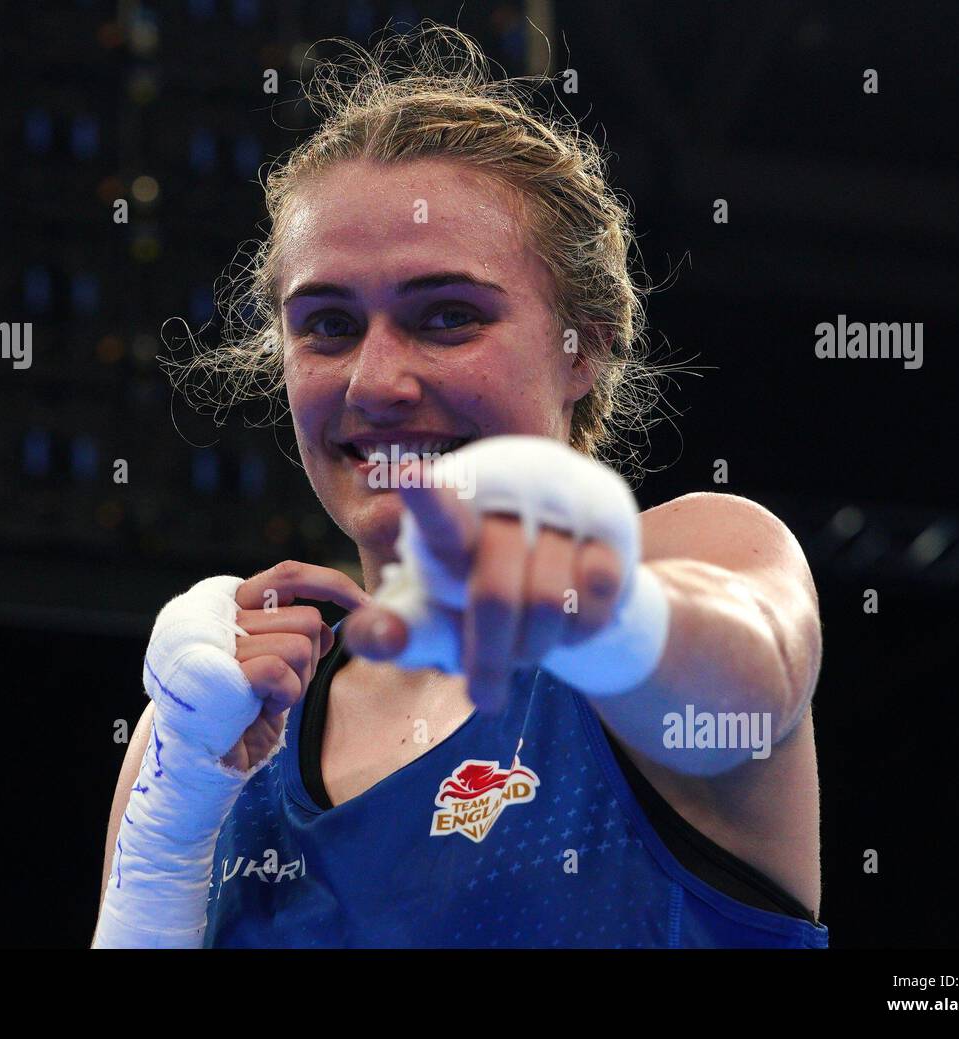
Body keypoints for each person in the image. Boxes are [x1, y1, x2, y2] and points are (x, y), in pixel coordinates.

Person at [92, 23, 827, 949]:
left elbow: (741, 692)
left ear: (584, 345)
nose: (375, 382)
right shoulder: (225, 727)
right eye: (327, 325)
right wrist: (167, 837)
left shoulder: (706, 556)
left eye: (447, 316)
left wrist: (585, 594)